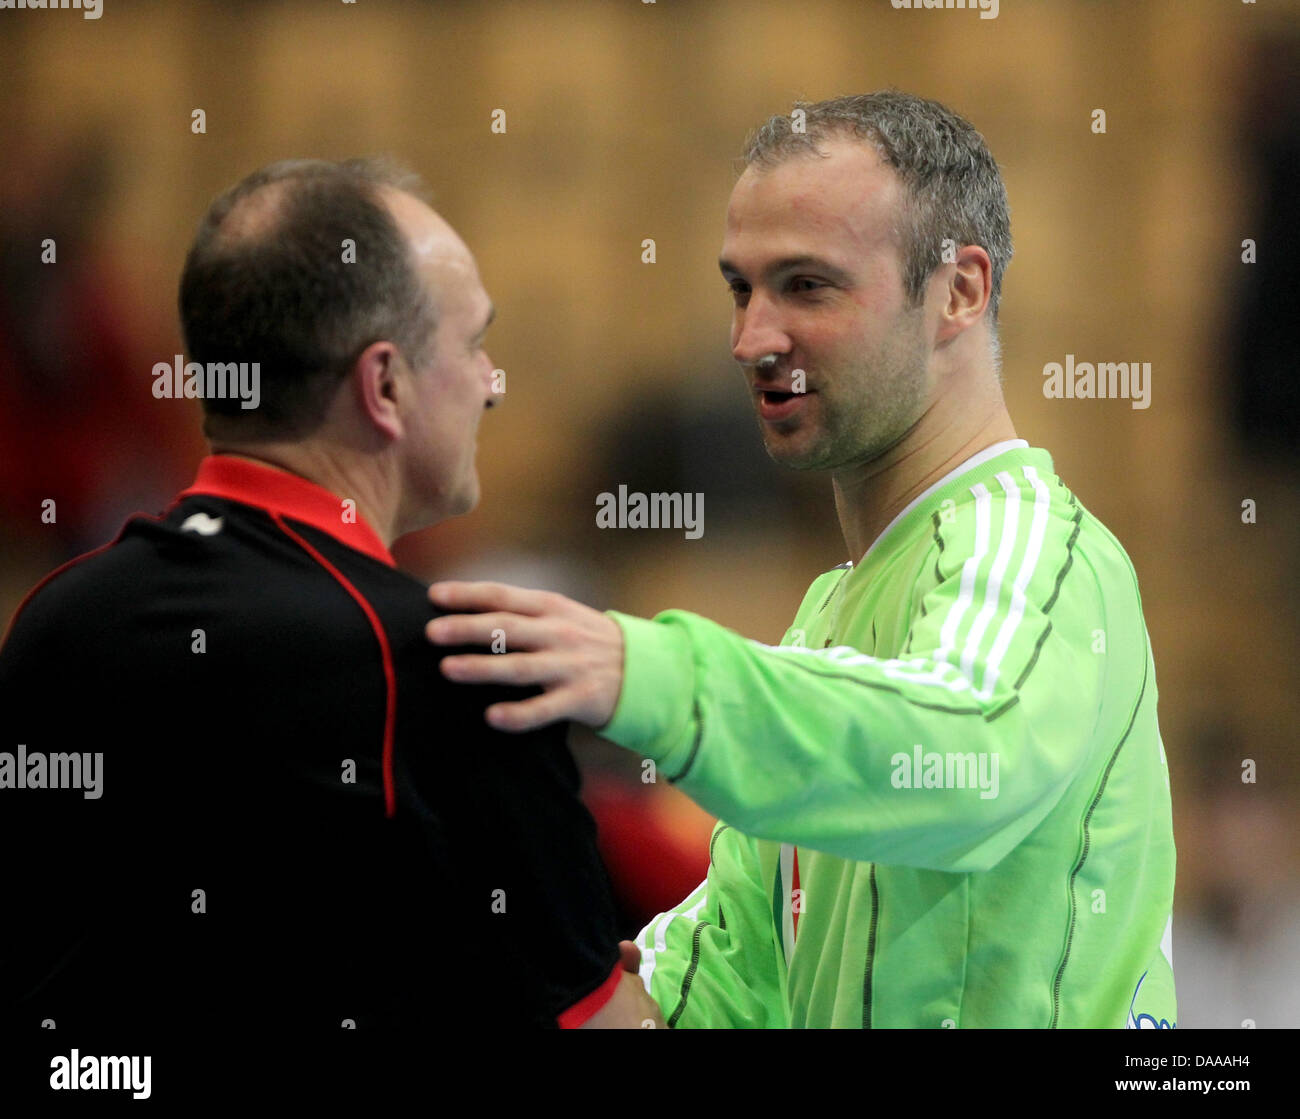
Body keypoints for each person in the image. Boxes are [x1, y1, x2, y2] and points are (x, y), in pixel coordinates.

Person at [424, 92, 1178, 1028]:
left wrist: (642, 674)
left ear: (960, 290)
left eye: (807, 286)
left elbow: (965, 754)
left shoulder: (1028, 546)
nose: (752, 340)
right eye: (742, 288)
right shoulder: (825, 622)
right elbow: (702, 996)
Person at [0, 157, 662, 1030]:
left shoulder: (54, 619)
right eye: (473, 345)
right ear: (384, 385)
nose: (494, 382)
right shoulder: (455, 668)